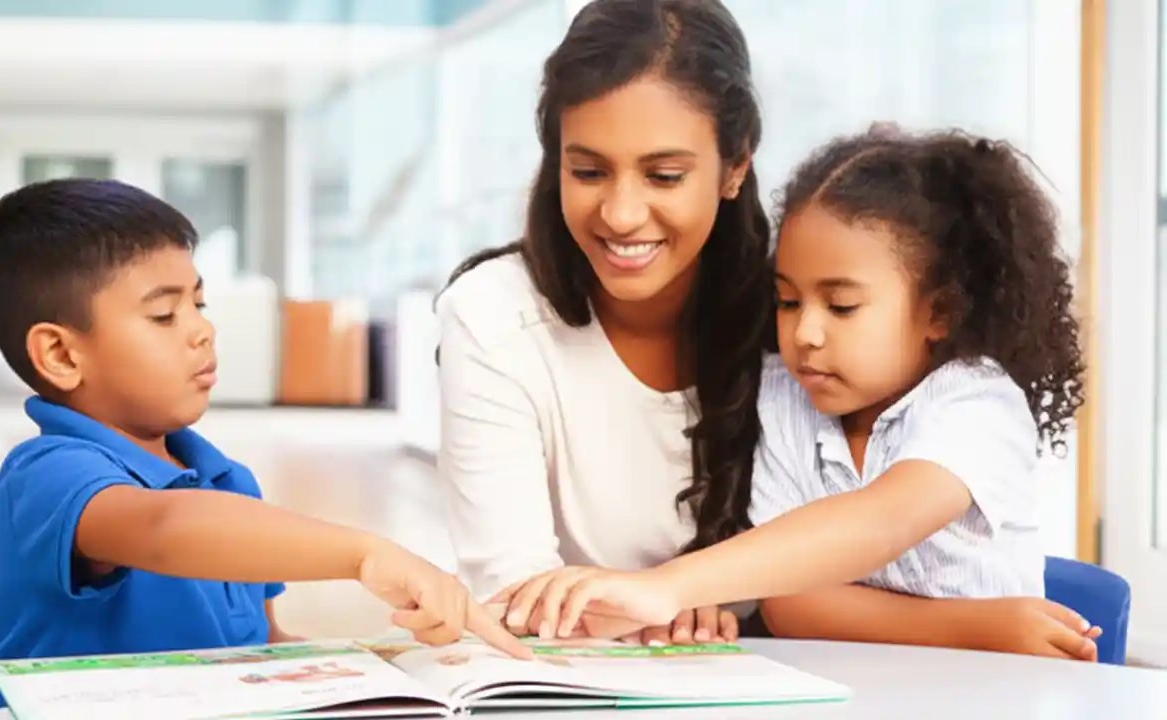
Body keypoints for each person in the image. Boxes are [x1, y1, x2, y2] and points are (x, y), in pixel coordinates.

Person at [438, 0, 1096, 657]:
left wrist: (675, 595)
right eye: (586, 171)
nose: (622, 211)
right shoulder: (788, 389)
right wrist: (669, 604)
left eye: (664, 175)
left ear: (735, 165)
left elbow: (872, 524)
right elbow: (786, 599)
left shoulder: (939, 393)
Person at [0, 179, 529, 708]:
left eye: (199, 304)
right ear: (62, 355)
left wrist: (382, 675)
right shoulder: (47, 475)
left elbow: (260, 643)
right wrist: (366, 554)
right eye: (164, 315)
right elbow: (162, 527)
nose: (201, 330)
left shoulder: (228, 481)